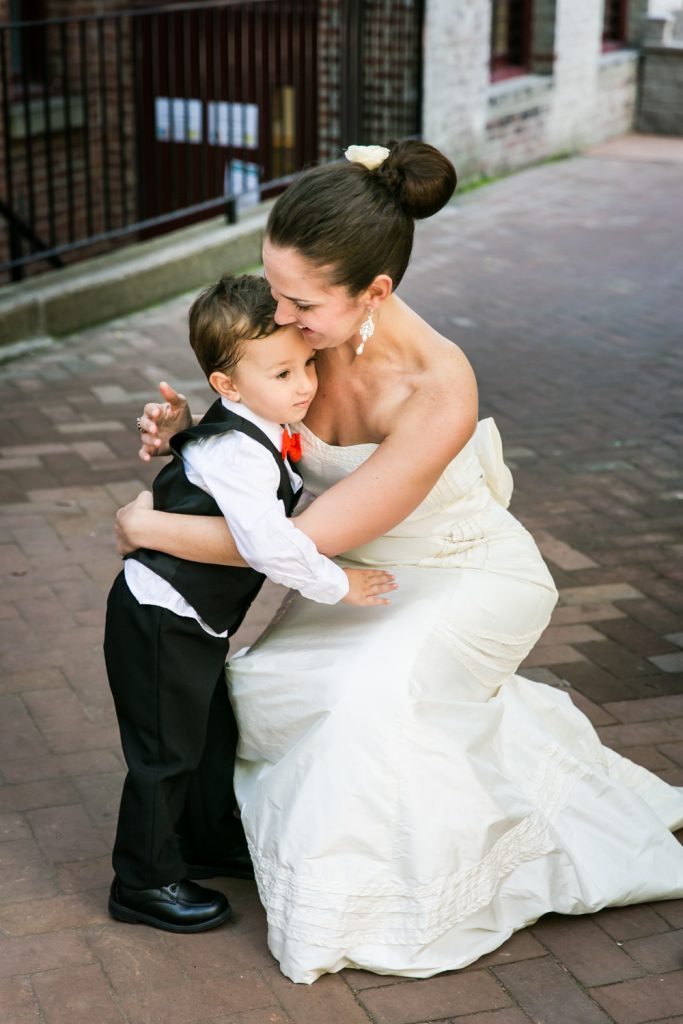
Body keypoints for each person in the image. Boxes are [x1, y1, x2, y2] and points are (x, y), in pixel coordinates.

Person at [121, 140, 683, 981]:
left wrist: (145, 527)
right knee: (254, 688)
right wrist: (187, 441)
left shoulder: (437, 386)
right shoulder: (294, 328)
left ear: (373, 292)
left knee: (358, 703)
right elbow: (244, 423)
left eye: (300, 302)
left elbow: (300, 542)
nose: (279, 314)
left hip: (460, 572)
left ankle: (383, 895)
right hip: (354, 574)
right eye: (273, 289)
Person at [104, 272, 396, 935]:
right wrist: (337, 584)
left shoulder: (255, 422)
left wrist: (180, 428)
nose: (303, 385)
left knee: (211, 736)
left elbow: (208, 457)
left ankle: (205, 840)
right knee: (164, 754)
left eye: (306, 365)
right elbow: (267, 543)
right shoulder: (239, 447)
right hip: (159, 618)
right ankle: (141, 882)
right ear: (228, 386)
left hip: (195, 619)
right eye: (282, 373)